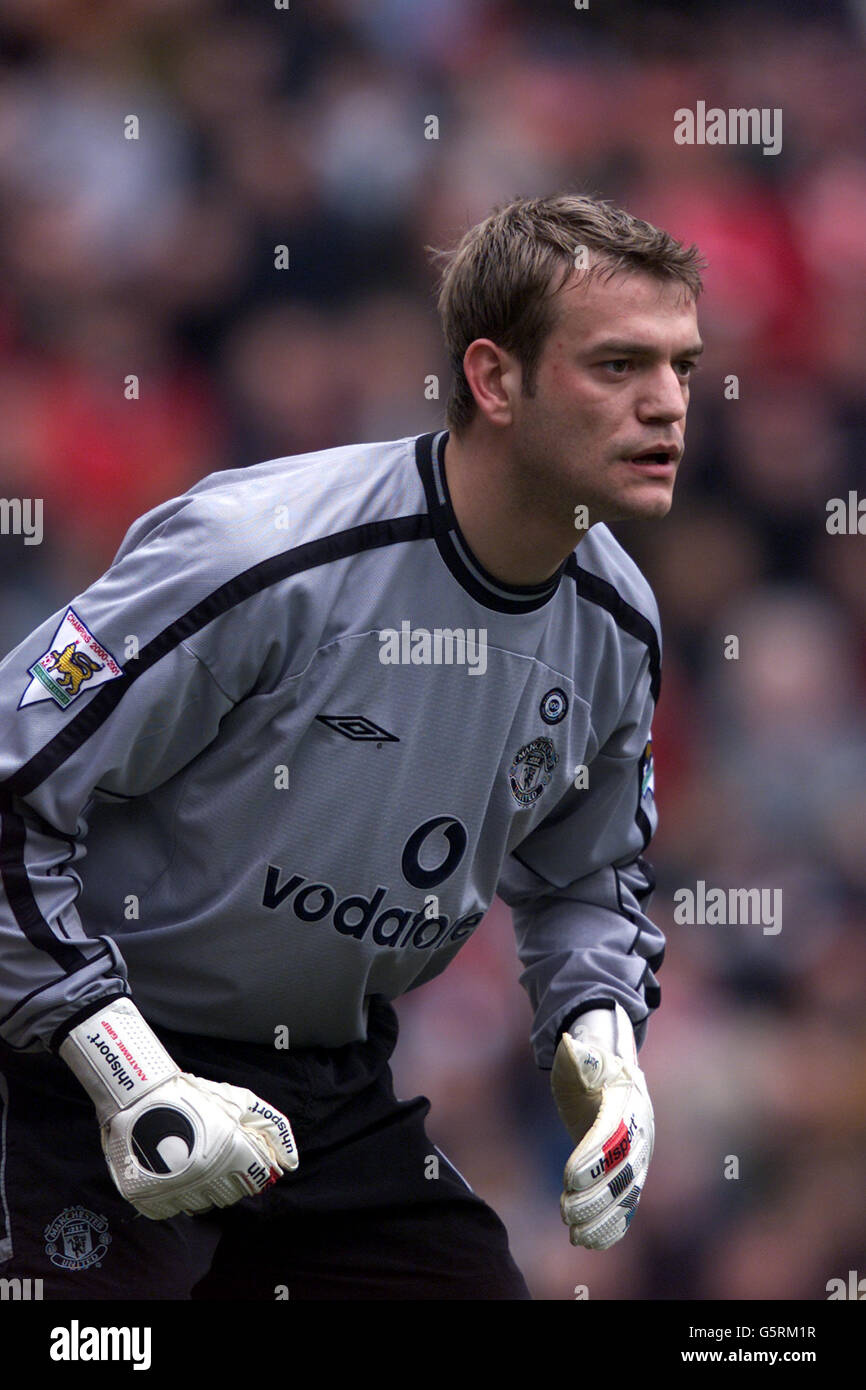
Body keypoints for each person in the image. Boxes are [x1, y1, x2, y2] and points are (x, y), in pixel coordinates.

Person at [0, 192, 704, 1300]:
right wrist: (125, 1072)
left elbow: (586, 874)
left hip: (324, 1087)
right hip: (61, 1065)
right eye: (617, 365)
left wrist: (603, 1050)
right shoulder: (259, 554)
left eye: (679, 367)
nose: (665, 405)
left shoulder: (617, 623)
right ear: (492, 379)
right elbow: (10, 795)